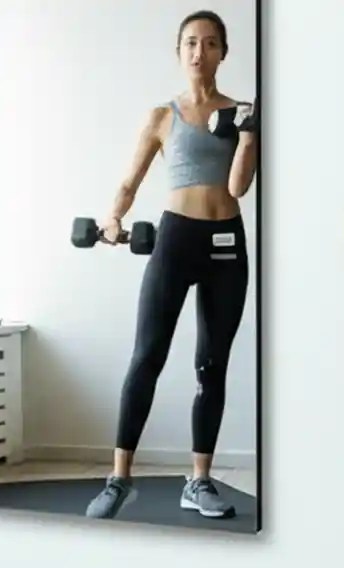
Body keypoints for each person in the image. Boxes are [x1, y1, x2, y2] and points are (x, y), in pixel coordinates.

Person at [85, 9, 258, 521]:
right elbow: (129, 182)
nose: (200, 52)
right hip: (176, 238)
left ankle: (199, 482)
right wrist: (113, 218)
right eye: (191, 43)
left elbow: (237, 187)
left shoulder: (242, 113)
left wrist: (250, 135)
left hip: (226, 242)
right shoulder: (163, 116)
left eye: (210, 43)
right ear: (179, 52)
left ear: (223, 52)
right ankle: (119, 478)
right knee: (147, 357)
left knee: (212, 365)